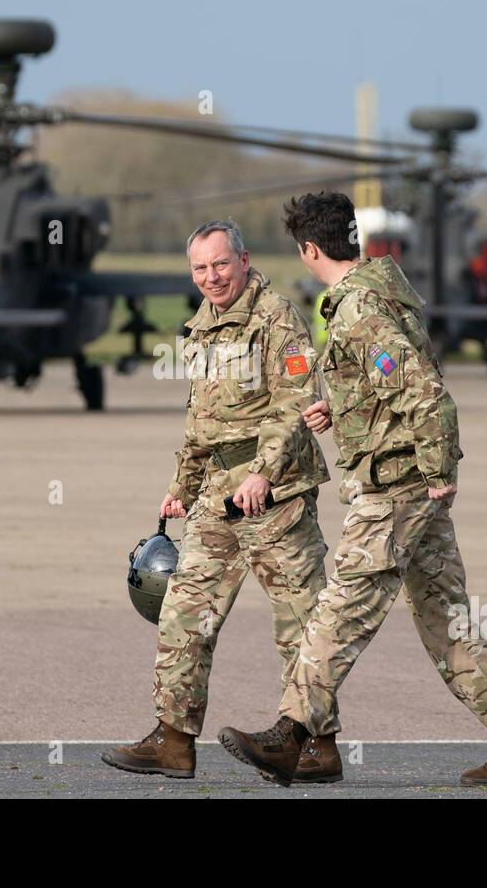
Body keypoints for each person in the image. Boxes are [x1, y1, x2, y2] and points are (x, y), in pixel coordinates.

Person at [218, 192, 487, 787]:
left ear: (309, 250)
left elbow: (424, 393)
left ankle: (291, 734)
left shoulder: (358, 308)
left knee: (341, 607)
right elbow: (387, 380)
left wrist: (439, 471)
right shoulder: (378, 293)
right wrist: (342, 409)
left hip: (396, 486)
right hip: (408, 481)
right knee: (443, 616)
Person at [102, 219, 338, 781]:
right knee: (183, 613)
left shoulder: (277, 317)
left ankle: (317, 747)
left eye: (221, 264)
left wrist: (262, 473)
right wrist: (181, 487)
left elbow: (295, 400)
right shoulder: (202, 325)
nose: (211, 277)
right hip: (216, 496)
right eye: (200, 268)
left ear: (244, 261)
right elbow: (200, 417)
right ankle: (173, 741)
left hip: (275, 496)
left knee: (299, 624)